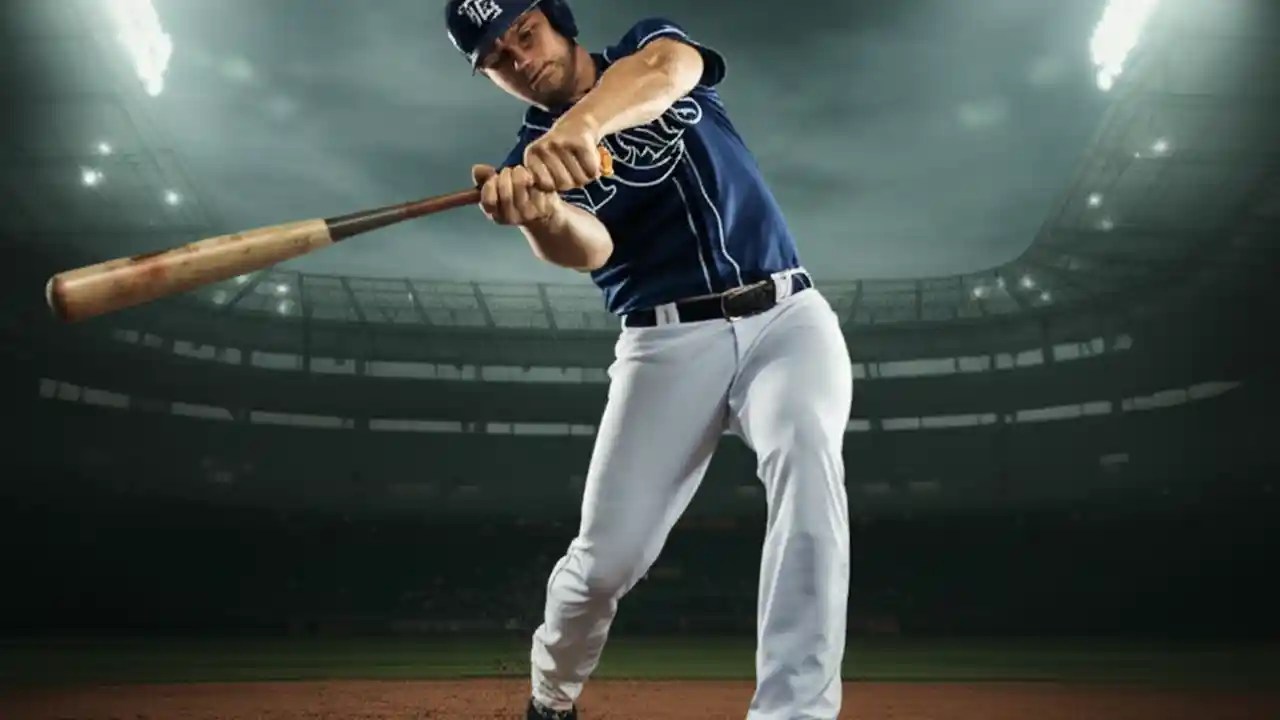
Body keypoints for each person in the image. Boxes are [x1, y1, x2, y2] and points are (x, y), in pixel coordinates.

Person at [443, 1, 854, 718]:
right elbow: (590, 250)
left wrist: (583, 126)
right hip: (665, 344)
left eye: (524, 33)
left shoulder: (644, 46)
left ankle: (794, 712)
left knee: (806, 458)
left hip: (787, 315)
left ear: (555, 19)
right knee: (606, 563)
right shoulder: (526, 162)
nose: (519, 57)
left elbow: (672, 72)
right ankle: (551, 694)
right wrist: (539, 210)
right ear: (488, 76)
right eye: (497, 57)